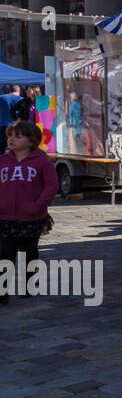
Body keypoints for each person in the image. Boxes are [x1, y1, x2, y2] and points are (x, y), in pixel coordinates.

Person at [0, 121, 58, 304]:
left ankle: (28, 286)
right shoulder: (2, 161)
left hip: (32, 217)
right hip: (5, 217)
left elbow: (51, 186)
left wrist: (38, 205)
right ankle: (2, 292)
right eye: (10, 136)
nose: (12, 139)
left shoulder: (42, 162)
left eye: (18, 136)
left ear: (31, 140)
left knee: (28, 252)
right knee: (4, 254)